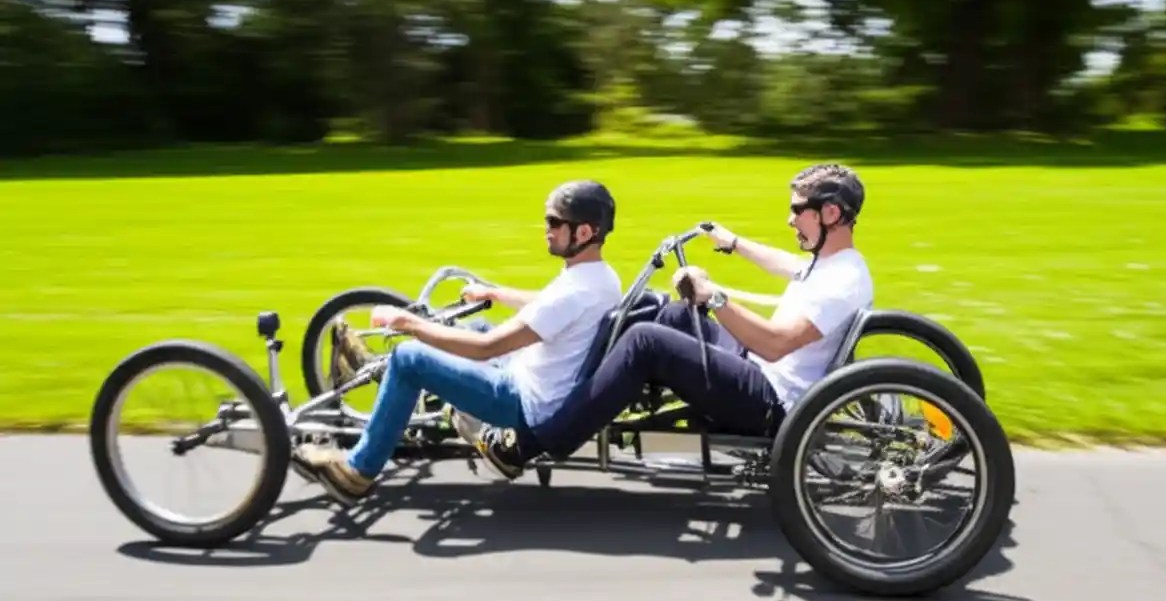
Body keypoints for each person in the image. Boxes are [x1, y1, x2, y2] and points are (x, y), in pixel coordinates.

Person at [462, 163, 874, 480]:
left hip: (773, 401)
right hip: (759, 370)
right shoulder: (831, 263)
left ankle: (531, 443)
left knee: (646, 341)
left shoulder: (842, 282)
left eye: (798, 210)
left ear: (830, 213)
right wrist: (731, 242)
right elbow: (790, 266)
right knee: (664, 309)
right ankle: (569, 392)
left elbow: (775, 344)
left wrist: (714, 297)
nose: (790, 220)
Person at [293, 179, 623, 503]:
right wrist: (495, 293)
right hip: (531, 376)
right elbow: (546, 304)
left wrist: (409, 323)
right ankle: (377, 371)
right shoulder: (599, 277)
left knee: (410, 359)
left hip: (519, 401)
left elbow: (487, 348)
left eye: (554, 222)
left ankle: (357, 472)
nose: (546, 229)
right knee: (474, 326)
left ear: (583, 232)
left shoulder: (573, 293)